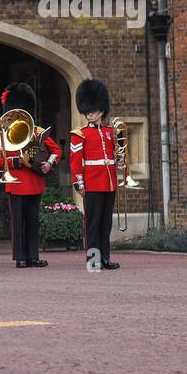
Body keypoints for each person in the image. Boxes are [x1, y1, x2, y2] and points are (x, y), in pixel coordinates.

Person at [0, 83, 62, 269]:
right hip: (17, 182)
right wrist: (19, 162)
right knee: (18, 223)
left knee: (33, 221)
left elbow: (56, 150)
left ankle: (33, 256)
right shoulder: (6, 133)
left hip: (34, 182)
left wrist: (49, 163)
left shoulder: (37, 131)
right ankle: (20, 257)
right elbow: (1, 159)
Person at [70, 78, 121, 270]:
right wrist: (79, 184)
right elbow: (76, 161)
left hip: (109, 182)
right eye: (87, 111)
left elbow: (114, 156)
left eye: (93, 110)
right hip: (92, 183)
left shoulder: (110, 132)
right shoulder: (80, 134)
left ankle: (105, 258)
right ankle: (93, 260)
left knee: (105, 224)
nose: (90, 114)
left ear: (101, 110)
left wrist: (121, 161)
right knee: (93, 223)